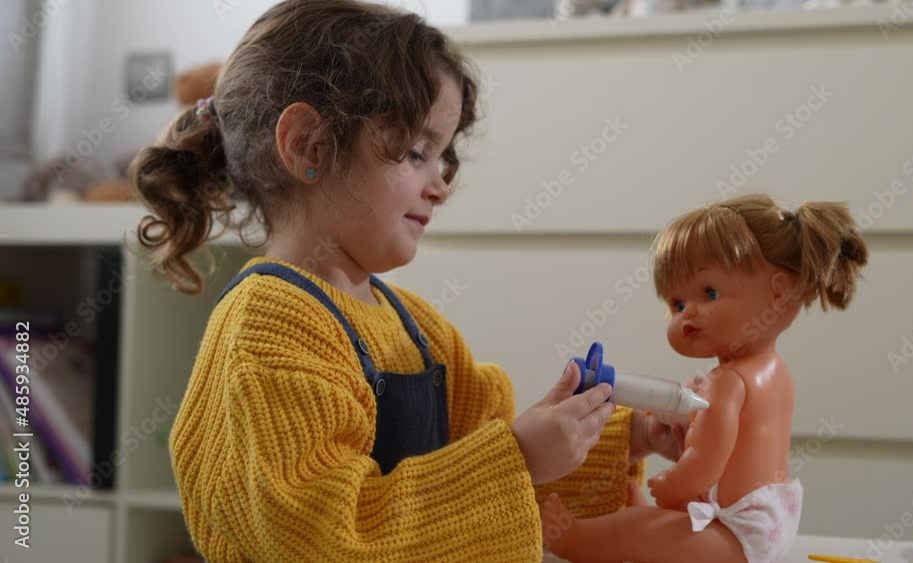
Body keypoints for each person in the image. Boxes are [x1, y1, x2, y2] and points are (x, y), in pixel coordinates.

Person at [130, 1, 680, 561]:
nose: (441, 185)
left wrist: (607, 440)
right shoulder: (266, 331)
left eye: (444, 158)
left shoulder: (416, 328)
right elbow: (323, 537)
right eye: (417, 152)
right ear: (308, 146)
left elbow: (498, 499)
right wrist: (517, 456)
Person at [541, 193, 868, 563]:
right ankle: (654, 523)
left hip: (734, 535)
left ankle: (574, 537)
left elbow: (706, 462)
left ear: (779, 291)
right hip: (771, 522)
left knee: (632, 532)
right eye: (677, 305)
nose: (687, 315)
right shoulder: (775, 371)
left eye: (709, 293)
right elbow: (739, 454)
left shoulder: (728, 381)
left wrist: (671, 489)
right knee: (656, 526)